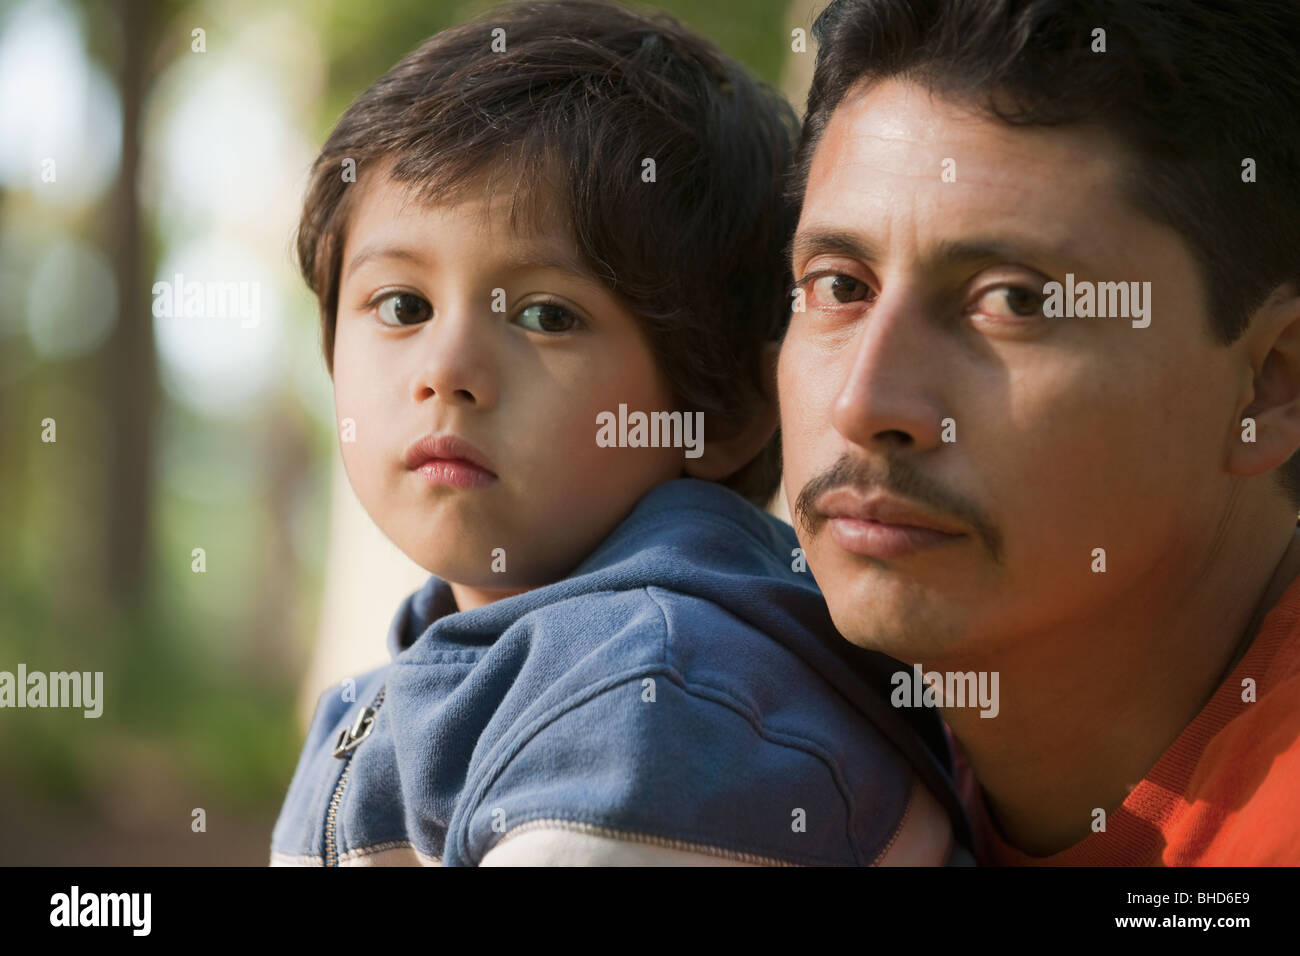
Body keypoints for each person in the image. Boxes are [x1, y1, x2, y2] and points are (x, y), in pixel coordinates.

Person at [271, 0, 966, 866]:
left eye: (546, 316)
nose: (446, 369)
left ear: (718, 414)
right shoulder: (395, 692)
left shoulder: (670, 697)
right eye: (402, 306)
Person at [778, 0, 1300, 864]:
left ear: (1270, 387)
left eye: (1013, 301)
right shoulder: (744, 730)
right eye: (840, 286)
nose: (866, 404)